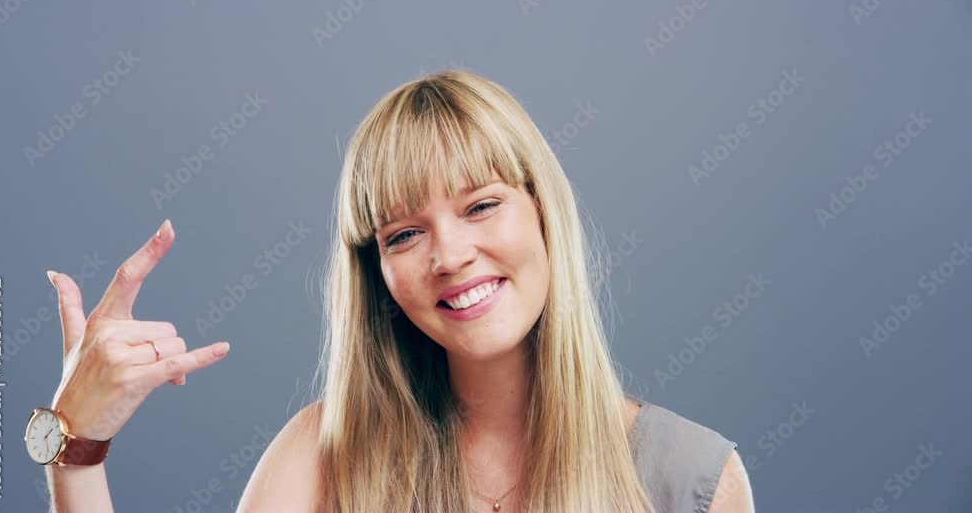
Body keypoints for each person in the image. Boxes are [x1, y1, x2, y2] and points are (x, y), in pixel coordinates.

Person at [40, 70, 754, 512]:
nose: (449, 255)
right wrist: (77, 444)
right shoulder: (325, 454)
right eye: (403, 235)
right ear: (375, 274)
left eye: (480, 206)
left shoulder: (692, 478)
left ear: (545, 212)